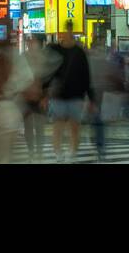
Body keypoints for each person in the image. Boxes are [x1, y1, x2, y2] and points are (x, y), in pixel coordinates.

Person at [44, 28, 92, 162]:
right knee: (59, 126)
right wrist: (45, 92)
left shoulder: (79, 53)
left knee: (74, 127)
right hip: (59, 96)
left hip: (76, 96)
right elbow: (49, 73)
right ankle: (59, 153)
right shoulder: (56, 50)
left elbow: (86, 76)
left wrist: (90, 97)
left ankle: (71, 152)